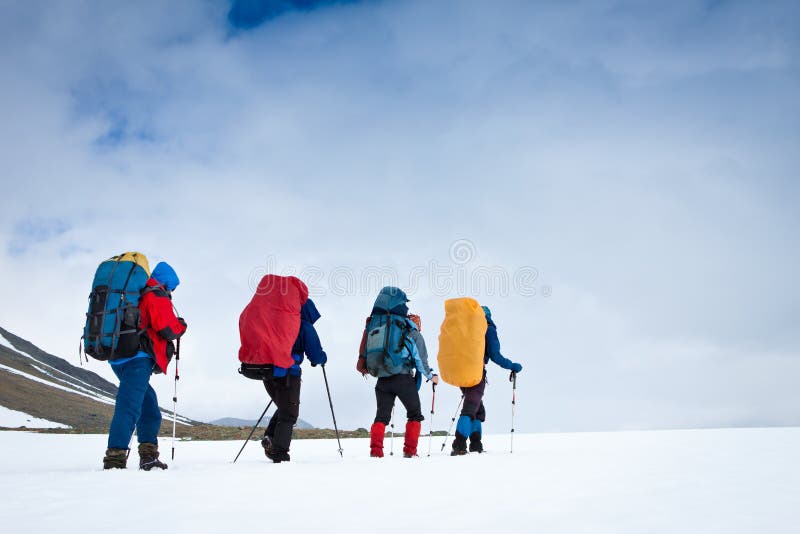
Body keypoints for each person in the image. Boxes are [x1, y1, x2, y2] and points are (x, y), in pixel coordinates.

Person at [103, 261, 187, 470]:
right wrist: (182, 326)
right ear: (168, 282)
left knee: (149, 407)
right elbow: (167, 328)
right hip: (137, 358)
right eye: (172, 287)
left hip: (119, 358)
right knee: (129, 407)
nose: (172, 291)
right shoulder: (155, 294)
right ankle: (115, 458)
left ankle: (148, 455)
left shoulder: (138, 293)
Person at [357, 286, 438, 458]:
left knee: (381, 416)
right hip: (402, 379)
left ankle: (376, 451)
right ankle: (410, 451)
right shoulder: (410, 330)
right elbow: (420, 361)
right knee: (415, 414)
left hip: (382, 379)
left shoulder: (377, 324)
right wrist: (432, 376)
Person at [260, 298, 328, 463]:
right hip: (289, 374)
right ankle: (279, 452)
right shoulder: (303, 326)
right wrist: (322, 359)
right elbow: (317, 355)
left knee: (285, 407)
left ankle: (270, 437)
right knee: (290, 413)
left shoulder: (276, 323)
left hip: (267, 373)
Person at [451, 305, 521, 456]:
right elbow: (496, 356)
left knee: (478, 408)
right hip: (476, 372)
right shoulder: (488, 329)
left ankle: (475, 444)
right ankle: (459, 444)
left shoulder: (467, 329)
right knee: (470, 406)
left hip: (461, 372)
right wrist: (513, 366)